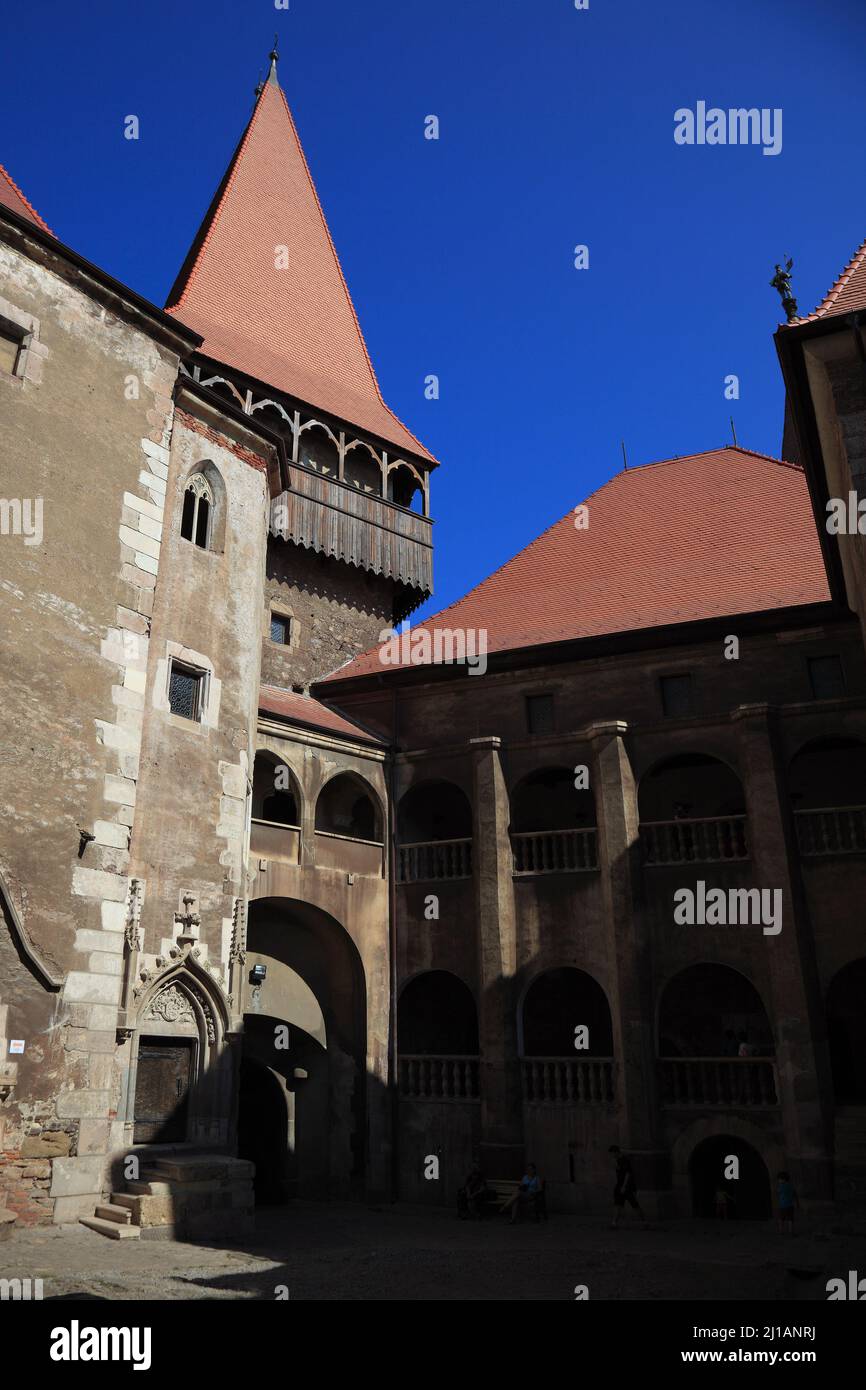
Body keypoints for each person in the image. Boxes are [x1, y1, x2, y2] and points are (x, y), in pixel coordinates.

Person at [610, 1145, 645, 1228]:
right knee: (617, 1204)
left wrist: (624, 1186)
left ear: (616, 1152)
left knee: (635, 1205)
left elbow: (627, 1174)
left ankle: (644, 1222)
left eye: (613, 1153)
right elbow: (620, 1172)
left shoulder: (625, 1160)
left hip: (627, 1187)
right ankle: (614, 1222)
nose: (612, 1155)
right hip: (620, 1186)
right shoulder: (617, 1160)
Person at [777, 1171, 798, 1235]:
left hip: (782, 1206)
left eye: (779, 1179)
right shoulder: (791, 1186)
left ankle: (781, 1231)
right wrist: (797, 1203)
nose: (778, 1181)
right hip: (790, 1206)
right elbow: (794, 1194)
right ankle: (791, 1232)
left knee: (781, 1219)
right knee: (790, 1220)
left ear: (783, 1179)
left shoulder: (781, 1186)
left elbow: (778, 1192)